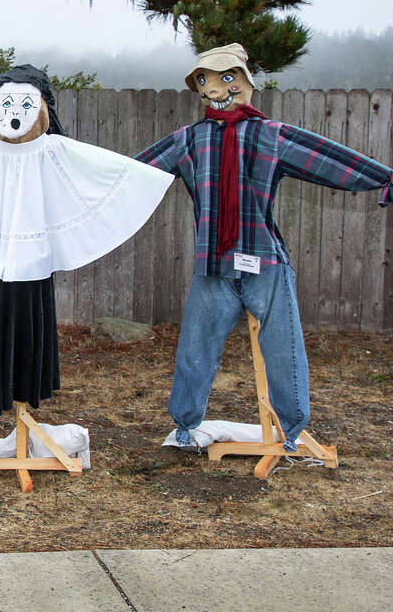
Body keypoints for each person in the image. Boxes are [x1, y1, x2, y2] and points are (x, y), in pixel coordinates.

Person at [136, 43, 392, 451]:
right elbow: (133, 174)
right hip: (213, 266)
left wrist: (381, 177)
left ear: (242, 81)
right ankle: (185, 427)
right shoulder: (189, 141)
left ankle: (290, 432)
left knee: (284, 349)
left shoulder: (271, 136)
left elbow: (327, 158)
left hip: (266, 262)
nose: (213, 88)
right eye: (202, 80)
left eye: (223, 77)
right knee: (194, 350)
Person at [0, 65, 171, 417]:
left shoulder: (53, 151)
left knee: (29, 335)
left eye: (27, 105)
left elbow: (102, 171)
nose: (15, 113)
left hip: (34, 270)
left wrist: (146, 179)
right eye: (7, 103)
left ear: (42, 109)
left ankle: (26, 406)